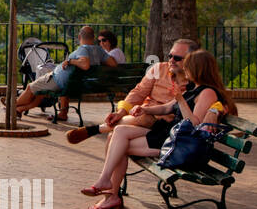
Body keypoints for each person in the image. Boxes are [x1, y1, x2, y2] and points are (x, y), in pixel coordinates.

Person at [81, 49, 236, 209]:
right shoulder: (192, 88)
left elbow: (194, 124)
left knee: (118, 145)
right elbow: (167, 107)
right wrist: (145, 110)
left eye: (188, 66)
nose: (185, 69)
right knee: (119, 132)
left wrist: (181, 100)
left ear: (198, 69)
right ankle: (104, 180)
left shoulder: (207, 93)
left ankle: (110, 192)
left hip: (178, 143)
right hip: (167, 133)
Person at [65, 37, 198, 145]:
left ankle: (98, 129)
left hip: (165, 125)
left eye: (177, 58)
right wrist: (121, 112)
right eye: (170, 56)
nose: (171, 60)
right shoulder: (158, 68)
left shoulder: (195, 82)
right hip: (142, 115)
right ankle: (108, 179)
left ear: (191, 59)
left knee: (123, 130)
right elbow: (139, 92)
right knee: (113, 136)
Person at [6, 26, 109, 118]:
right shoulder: (99, 50)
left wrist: (69, 61)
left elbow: (85, 65)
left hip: (58, 80)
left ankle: (11, 106)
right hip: (73, 83)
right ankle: (19, 109)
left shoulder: (83, 49)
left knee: (30, 87)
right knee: (39, 94)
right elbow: (113, 63)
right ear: (94, 37)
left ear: (79, 37)